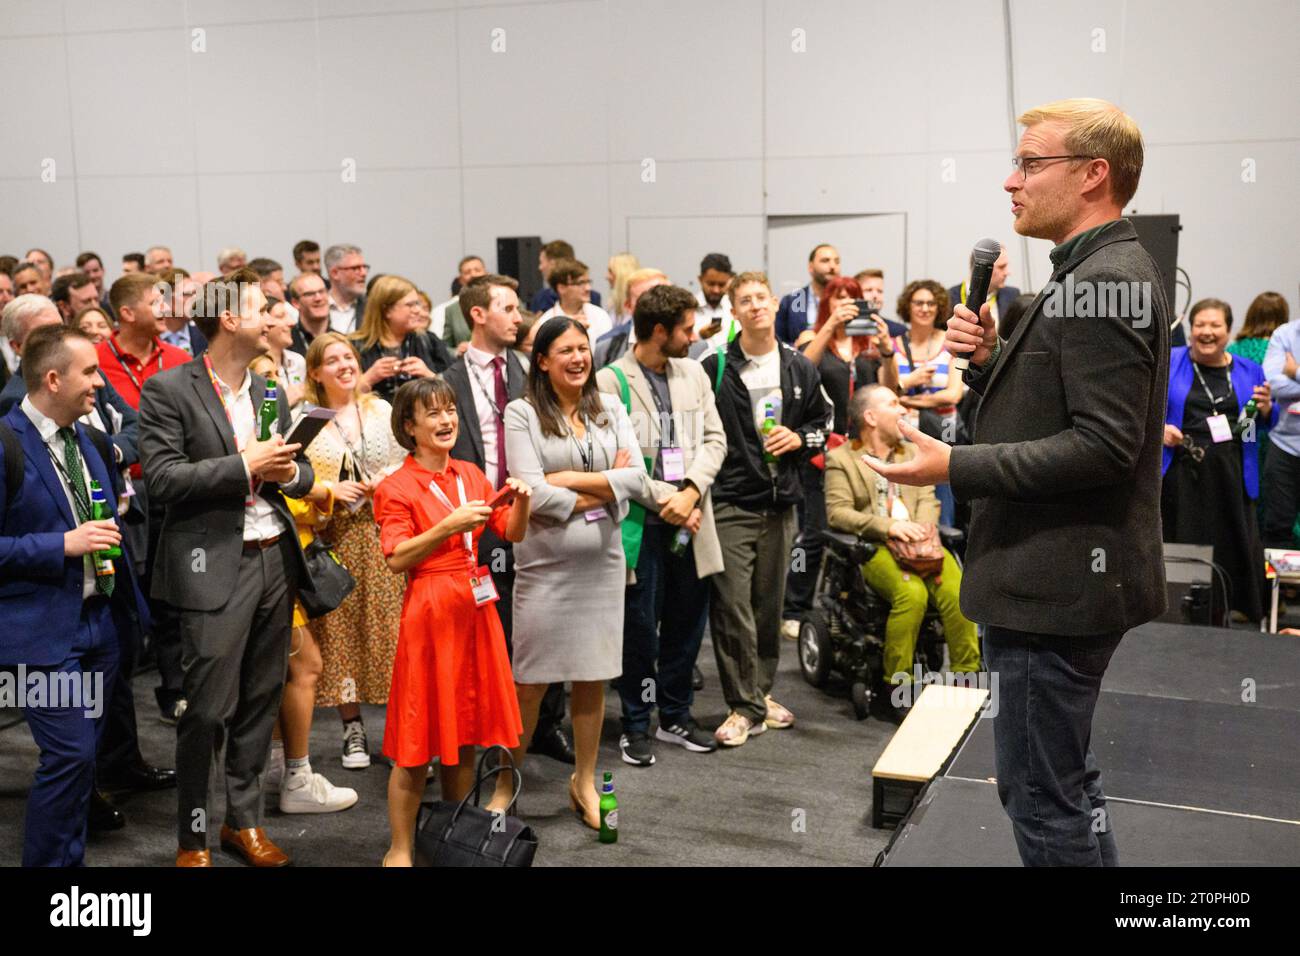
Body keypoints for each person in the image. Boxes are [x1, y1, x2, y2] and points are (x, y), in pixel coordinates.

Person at [873, 98, 1170, 867]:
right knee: (1063, 788)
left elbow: (1104, 446)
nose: (1012, 181)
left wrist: (953, 466)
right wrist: (990, 362)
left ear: (1094, 174)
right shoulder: (1086, 275)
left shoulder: (1108, 281)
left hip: (1057, 587)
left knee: (1043, 800)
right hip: (1055, 579)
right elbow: (1053, 410)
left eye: (1032, 164)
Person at [138, 266, 315, 867]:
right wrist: (244, 465)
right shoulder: (169, 389)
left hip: (273, 558)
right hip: (213, 563)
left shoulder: (269, 390)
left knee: (260, 701)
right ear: (229, 319)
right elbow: (160, 481)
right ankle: (192, 837)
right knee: (206, 711)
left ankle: (244, 824)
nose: (276, 316)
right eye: (265, 307)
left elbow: (293, 471)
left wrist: (293, 472)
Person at [489, 317, 659, 823]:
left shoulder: (608, 405)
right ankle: (505, 781)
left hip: (603, 563)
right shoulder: (521, 413)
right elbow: (531, 492)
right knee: (531, 682)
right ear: (542, 360)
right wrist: (605, 483)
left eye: (583, 349)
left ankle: (583, 782)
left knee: (594, 676)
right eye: (565, 350)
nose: (578, 358)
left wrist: (573, 479)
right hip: (546, 566)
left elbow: (638, 477)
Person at [0, 323, 150, 865]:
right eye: (90, 373)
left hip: (100, 624)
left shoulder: (88, 440)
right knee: (68, 756)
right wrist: (60, 543)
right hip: (40, 634)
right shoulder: (4, 443)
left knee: (85, 762)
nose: (101, 385)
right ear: (53, 378)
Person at [374, 378, 533, 865]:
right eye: (433, 414)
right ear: (409, 426)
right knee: (416, 742)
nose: (446, 421)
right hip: (431, 608)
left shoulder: (470, 473)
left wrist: (523, 498)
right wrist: (448, 525)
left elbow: (511, 533)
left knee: (462, 735)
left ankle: (451, 836)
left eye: (450, 411)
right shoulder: (395, 485)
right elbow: (397, 558)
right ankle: (400, 848)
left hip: (476, 608)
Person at [443, 273, 574, 764]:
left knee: (545, 620)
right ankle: (487, 724)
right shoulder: (447, 380)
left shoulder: (531, 372)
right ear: (478, 314)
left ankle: (547, 724)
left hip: (535, 511)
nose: (519, 318)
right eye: (509, 309)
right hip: (482, 518)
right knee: (488, 626)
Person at [700, 272, 833, 746]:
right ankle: (742, 706)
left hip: (781, 506)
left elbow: (827, 421)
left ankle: (760, 693)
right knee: (732, 607)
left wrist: (800, 439)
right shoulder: (713, 366)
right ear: (733, 311)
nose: (755, 306)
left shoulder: (798, 366)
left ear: (775, 304)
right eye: (745, 300)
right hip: (730, 502)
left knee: (767, 608)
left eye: (762, 298)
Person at [595, 284, 724, 765]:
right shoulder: (610, 382)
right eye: (686, 329)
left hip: (693, 517)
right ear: (658, 331)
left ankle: (675, 715)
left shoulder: (693, 373)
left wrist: (689, 491)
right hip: (641, 522)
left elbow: (715, 440)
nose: (694, 336)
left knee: (689, 621)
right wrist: (668, 500)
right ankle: (634, 723)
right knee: (639, 627)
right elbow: (615, 461)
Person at [824, 384, 981, 720]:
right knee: (911, 595)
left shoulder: (912, 453)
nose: (903, 409)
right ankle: (899, 686)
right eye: (893, 403)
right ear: (870, 416)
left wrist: (922, 530)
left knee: (958, 592)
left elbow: (928, 499)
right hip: (876, 546)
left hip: (921, 542)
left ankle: (969, 680)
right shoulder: (842, 458)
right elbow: (838, 513)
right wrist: (890, 528)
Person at [297, 332, 407, 768]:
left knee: (394, 635)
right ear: (315, 373)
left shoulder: (381, 409)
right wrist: (329, 491)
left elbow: (409, 458)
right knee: (342, 636)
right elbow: (294, 481)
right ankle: (353, 730)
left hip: (387, 530)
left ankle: (404, 730)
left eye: (349, 357)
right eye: (333, 360)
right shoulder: (306, 420)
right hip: (335, 536)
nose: (344, 365)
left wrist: (386, 480)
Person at [782, 275, 898, 638]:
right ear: (826, 304)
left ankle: (850, 599)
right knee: (816, 530)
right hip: (824, 449)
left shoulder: (869, 347)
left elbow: (891, 389)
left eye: (853, 299)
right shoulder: (810, 339)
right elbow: (799, 371)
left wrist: (888, 350)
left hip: (866, 449)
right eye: (838, 299)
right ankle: (795, 607)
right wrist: (831, 325)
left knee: (862, 526)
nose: (846, 306)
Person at [1161, 298, 1273, 623]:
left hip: (1232, 469)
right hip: (1181, 467)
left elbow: (1253, 429)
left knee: (1232, 540)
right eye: (1200, 325)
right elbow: (1143, 408)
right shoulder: (1170, 361)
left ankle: (1229, 607)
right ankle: (1177, 609)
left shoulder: (1250, 369)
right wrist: (1159, 431)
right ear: (1191, 329)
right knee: (1183, 536)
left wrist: (1264, 411)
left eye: (1215, 325)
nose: (1207, 332)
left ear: (1229, 330)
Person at [890, 279, 963, 527]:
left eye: (931, 303)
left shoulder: (951, 343)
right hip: (901, 439)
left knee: (943, 511)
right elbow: (885, 393)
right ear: (907, 306)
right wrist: (907, 384)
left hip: (942, 436)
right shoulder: (893, 346)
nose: (925, 308)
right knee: (905, 506)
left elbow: (953, 394)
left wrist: (908, 397)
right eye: (919, 303)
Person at [352, 275, 452, 404]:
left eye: (417, 304)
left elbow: (454, 391)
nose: (418, 310)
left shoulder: (429, 341)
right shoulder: (355, 346)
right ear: (387, 310)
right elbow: (338, 398)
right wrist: (369, 378)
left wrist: (428, 374)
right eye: (410, 305)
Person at [592, 268, 669, 367]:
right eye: (647, 300)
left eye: (664, 297)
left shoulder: (687, 342)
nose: (658, 305)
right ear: (628, 306)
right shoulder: (607, 346)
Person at [775, 244, 840, 345]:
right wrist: (796, 347)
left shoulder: (846, 299)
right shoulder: (795, 299)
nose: (832, 266)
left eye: (836, 261)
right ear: (811, 267)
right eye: (825, 260)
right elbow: (778, 340)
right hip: (801, 357)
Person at [537, 259, 614, 342]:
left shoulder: (600, 315)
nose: (588, 288)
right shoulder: (546, 322)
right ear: (561, 288)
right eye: (581, 283)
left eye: (588, 282)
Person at [251, 298, 307, 410]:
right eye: (281, 316)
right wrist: (284, 401)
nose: (292, 322)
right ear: (265, 323)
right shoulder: (252, 364)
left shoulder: (298, 361)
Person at [947, 245, 1019, 326]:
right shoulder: (949, 297)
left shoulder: (1013, 295)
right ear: (981, 269)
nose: (1008, 272)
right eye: (1001, 267)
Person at [431, 255, 484, 355]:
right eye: (467, 272)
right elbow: (445, 347)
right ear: (460, 279)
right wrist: (456, 351)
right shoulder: (452, 310)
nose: (473, 274)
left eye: (477, 270)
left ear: (486, 273)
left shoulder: (505, 300)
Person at [324, 244, 368, 333]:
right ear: (335, 273)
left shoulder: (372, 308)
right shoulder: (317, 307)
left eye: (364, 267)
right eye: (356, 268)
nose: (363, 273)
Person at [287, 271, 332, 356]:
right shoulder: (287, 342)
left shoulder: (343, 341)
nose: (318, 298)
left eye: (322, 291)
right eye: (310, 294)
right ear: (295, 303)